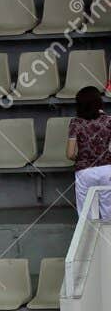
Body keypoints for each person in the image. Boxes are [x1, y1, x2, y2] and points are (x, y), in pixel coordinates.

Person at [67, 86, 111, 221]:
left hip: (85, 170)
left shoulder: (75, 123)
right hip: (107, 169)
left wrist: (80, 157)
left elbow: (70, 154)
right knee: (108, 209)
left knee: (87, 213)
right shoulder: (109, 120)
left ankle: (88, 241)